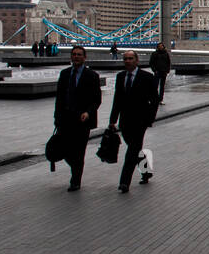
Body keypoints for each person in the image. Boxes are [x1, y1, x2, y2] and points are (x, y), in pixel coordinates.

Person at [108, 50, 160, 193]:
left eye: (131, 58)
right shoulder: (120, 77)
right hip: (124, 121)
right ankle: (146, 171)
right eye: (125, 59)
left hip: (140, 121)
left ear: (137, 61)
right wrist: (113, 120)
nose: (128, 61)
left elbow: (154, 100)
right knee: (134, 148)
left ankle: (124, 182)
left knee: (131, 152)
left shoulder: (147, 77)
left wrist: (150, 118)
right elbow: (117, 100)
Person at [54, 45, 102, 191]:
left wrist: (88, 112)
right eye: (74, 54)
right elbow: (59, 98)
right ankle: (75, 170)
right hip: (66, 119)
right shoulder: (64, 74)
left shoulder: (92, 76)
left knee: (79, 152)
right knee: (66, 150)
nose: (76, 57)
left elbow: (97, 100)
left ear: (84, 57)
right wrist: (57, 117)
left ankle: (75, 181)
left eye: (79, 55)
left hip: (82, 120)